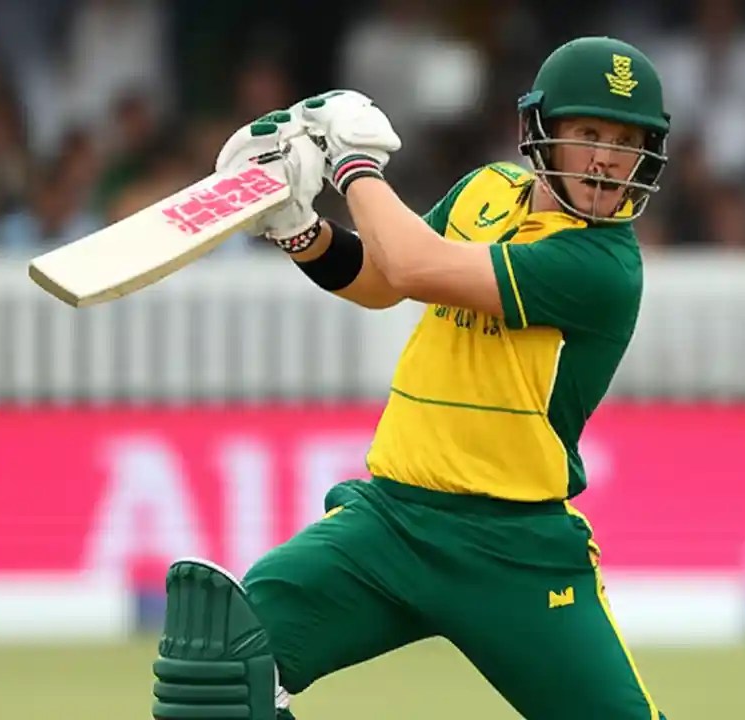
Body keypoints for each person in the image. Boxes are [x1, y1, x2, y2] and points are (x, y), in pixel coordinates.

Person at [150, 36, 670, 720]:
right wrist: (296, 228)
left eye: (627, 140)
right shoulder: (487, 191)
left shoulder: (602, 266)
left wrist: (353, 163)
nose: (608, 157)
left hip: (513, 551)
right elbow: (382, 278)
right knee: (217, 670)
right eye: (588, 133)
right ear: (542, 132)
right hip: (388, 529)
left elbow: (418, 266)